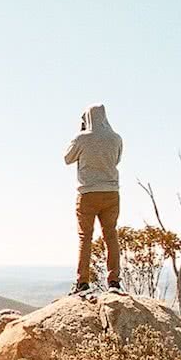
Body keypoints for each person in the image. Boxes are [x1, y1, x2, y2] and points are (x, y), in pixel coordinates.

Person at [64, 104, 124, 296]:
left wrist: (81, 133)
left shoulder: (82, 138)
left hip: (87, 193)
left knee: (85, 237)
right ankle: (114, 281)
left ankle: (82, 282)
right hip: (111, 193)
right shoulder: (116, 138)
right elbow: (116, 160)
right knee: (111, 236)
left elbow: (67, 158)